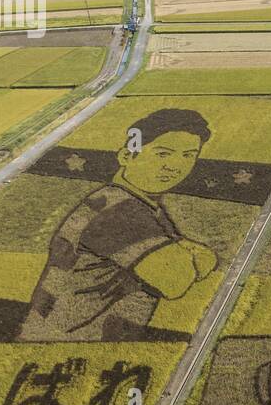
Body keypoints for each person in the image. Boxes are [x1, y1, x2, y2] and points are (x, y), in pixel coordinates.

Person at [20, 108, 218, 342]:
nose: (175, 165)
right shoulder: (117, 211)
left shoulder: (139, 204)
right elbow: (176, 280)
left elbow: (203, 260)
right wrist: (191, 257)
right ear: (126, 156)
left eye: (188, 155)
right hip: (66, 345)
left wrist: (191, 256)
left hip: (83, 343)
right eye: (163, 154)